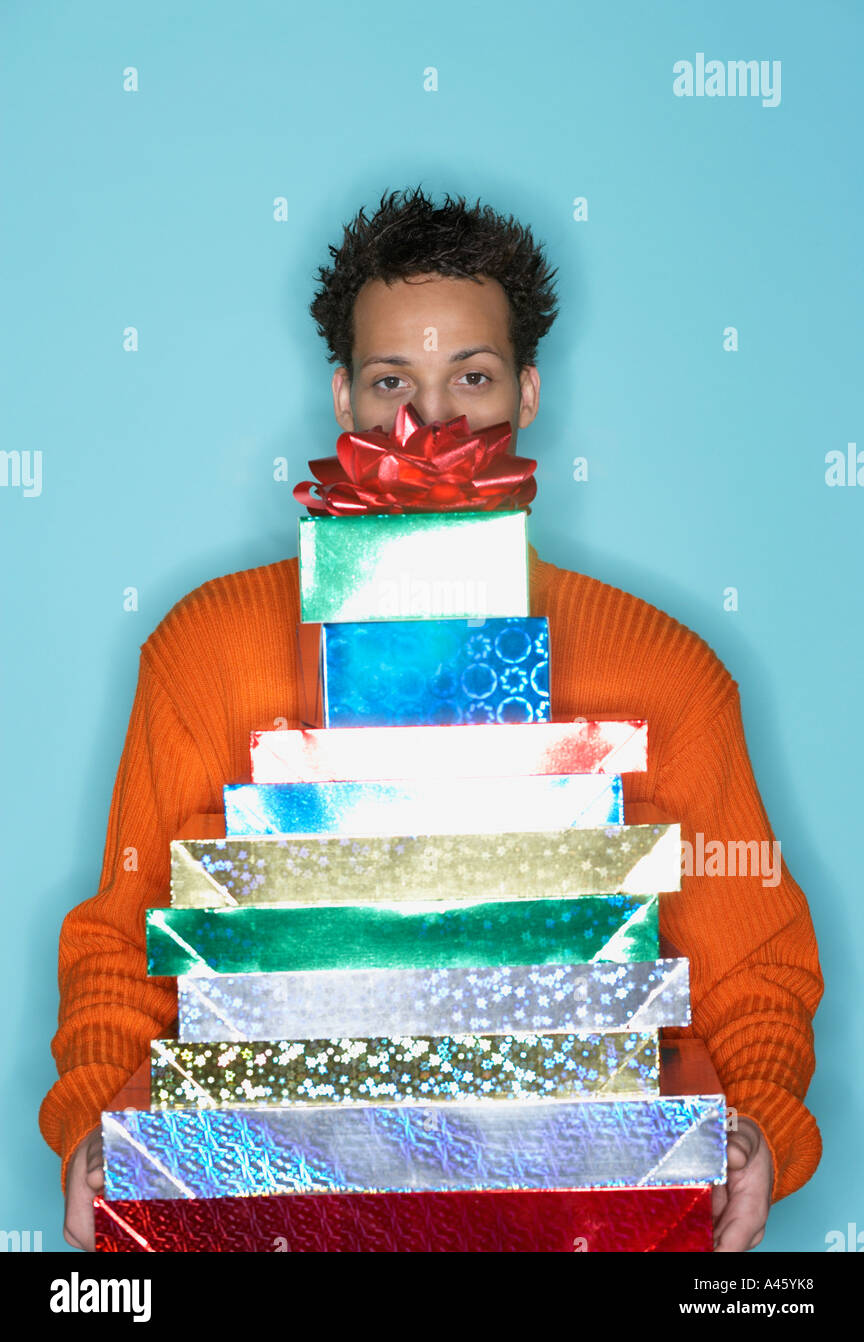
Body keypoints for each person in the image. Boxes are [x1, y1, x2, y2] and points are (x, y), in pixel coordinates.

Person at [44, 186, 823, 1253]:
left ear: (528, 392)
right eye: (390, 383)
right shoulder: (203, 650)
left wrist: (760, 1127)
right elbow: (120, 943)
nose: (431, 427)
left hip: (590, 1207)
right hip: (270, 1206)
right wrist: (97, 1124)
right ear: (343, 399)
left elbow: (757, 971)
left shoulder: (668, 672)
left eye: (472, 377)